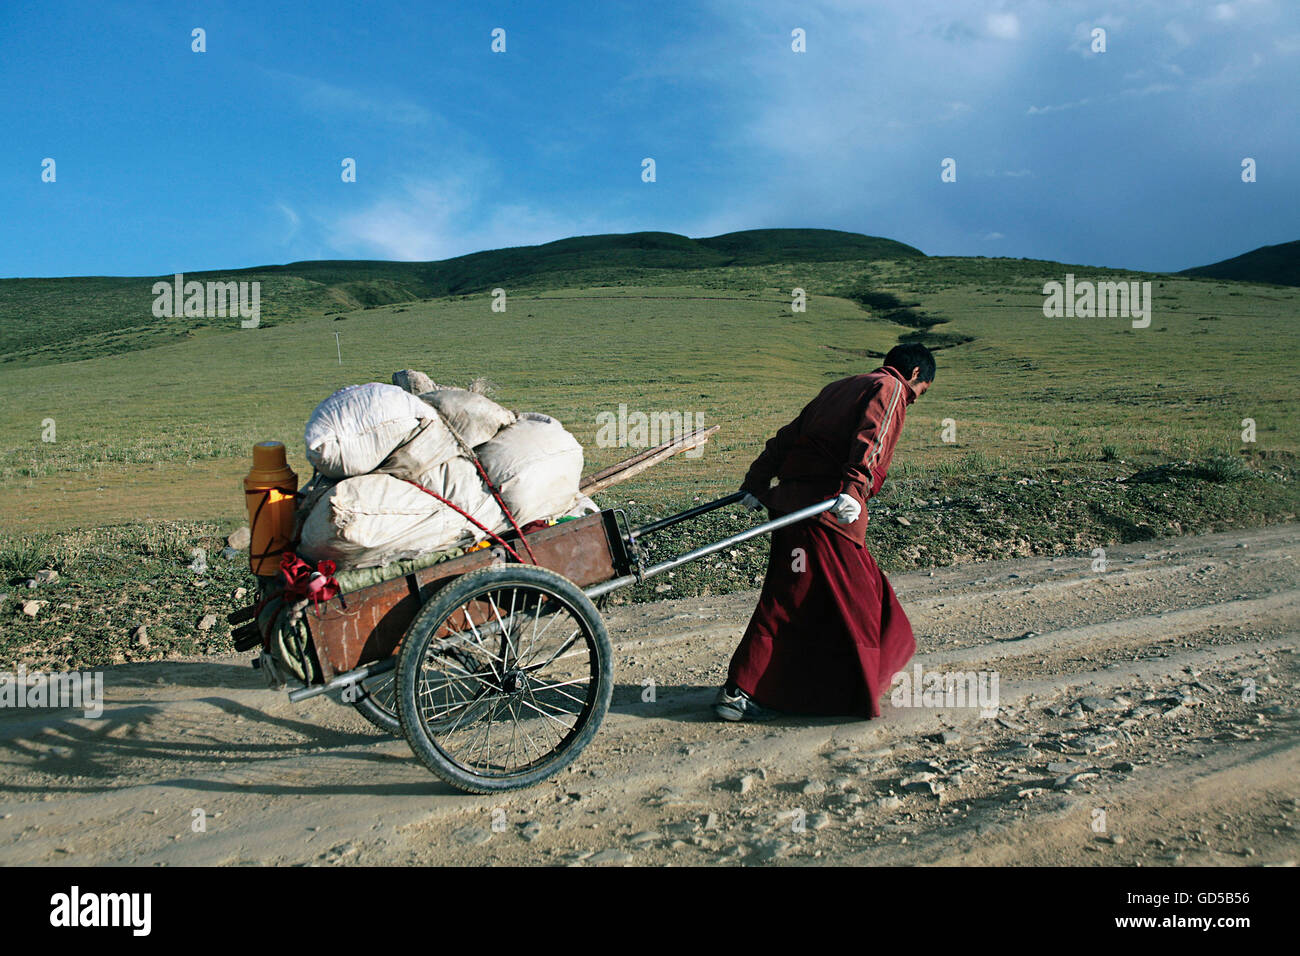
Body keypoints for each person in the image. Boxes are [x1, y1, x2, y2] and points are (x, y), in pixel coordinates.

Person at [714, 343, 935, 721]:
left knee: (804, 594)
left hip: (795, 507)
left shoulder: (840, 386)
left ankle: (811, 689)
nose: (913, 400)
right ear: (915, 375)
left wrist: (757, 480)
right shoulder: (891, 388)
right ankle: (745, 690)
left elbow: (789, 436)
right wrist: (854, 490)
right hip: (828, 513)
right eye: (920, 394)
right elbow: (872, 439)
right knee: (853, 601)